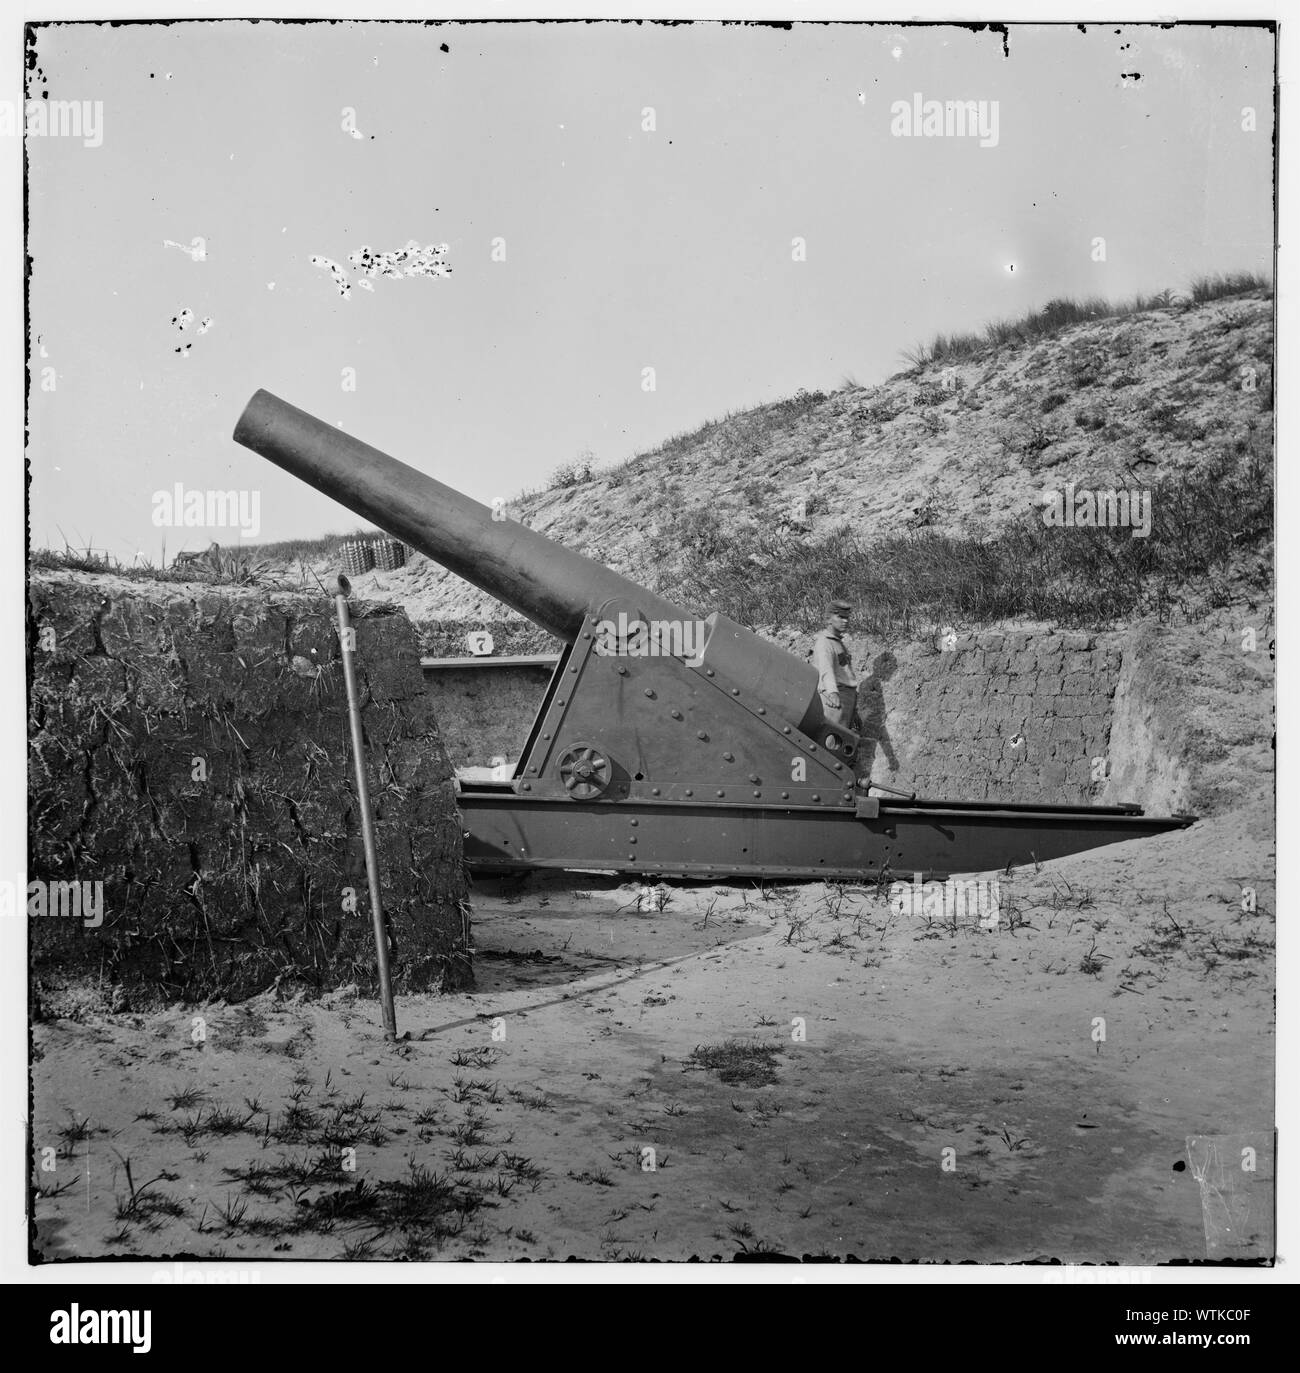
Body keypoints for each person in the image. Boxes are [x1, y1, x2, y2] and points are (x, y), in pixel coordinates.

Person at [812, 600, 860, 732]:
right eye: (840, 617)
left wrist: (853, 709)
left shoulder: (837, 642)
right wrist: (832, 693)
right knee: (832, 742)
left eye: (847, 618)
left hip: (845, 699)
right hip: (835, 700)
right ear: (828, 619)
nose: (845, 621)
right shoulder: (824, 643)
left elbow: (845, 673)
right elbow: (826, 670)